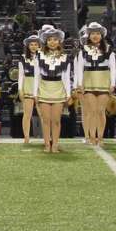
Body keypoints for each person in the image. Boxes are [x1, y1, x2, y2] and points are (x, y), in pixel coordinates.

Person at [74, 22, 115, 148]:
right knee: (91, 111)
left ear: (102, 35)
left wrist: (112, 83)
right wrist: (79, 84)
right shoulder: (82, 50)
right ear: (89, 35)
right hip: (88, 83)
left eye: (98, 33)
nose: (95, 36)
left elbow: (113, 68)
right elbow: (80, 68)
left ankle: (100, 137)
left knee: (100, 111)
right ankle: (91, 137)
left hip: (103, 83)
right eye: (93, 34)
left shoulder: (108, 49)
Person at [32, 25, 72, 154]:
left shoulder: (65, 57)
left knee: (56, 120)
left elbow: (66, 76)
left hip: (58, 89)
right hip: (44, 88)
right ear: (46, 42)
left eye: (55, 39)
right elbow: (36, 75)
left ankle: (55, 144)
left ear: (59, 41)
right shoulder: (39, 55)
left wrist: (68, 93)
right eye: (49, 40)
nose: (52, 42)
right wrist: (35, 93)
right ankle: (46, 144)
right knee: (46, 120)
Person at [17, 33, 41, 143]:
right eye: (31, 44)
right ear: (28, 46)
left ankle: (45, 135)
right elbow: (21, 74)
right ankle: (26, 136)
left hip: (41, 85)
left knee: (43, 113)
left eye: (36, 44)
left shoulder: (44, 58)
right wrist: (20, 89)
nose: (34, 46)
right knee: (27, 114)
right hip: (27, 85)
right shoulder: (22, 58)